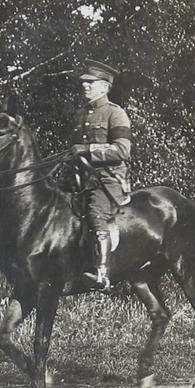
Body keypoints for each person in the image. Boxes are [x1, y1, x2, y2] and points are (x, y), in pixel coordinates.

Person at [67, 59, 132, 289]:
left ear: (104, 87)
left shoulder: (115, 113)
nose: (85, 85)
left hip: (107, 180)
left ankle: (101, 273)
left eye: (91, 82)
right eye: (84, 82)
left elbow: (122, 150)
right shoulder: (80, 115)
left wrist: (87, 150)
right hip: (81, 180)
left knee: (95, 213)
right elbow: (74, 150)